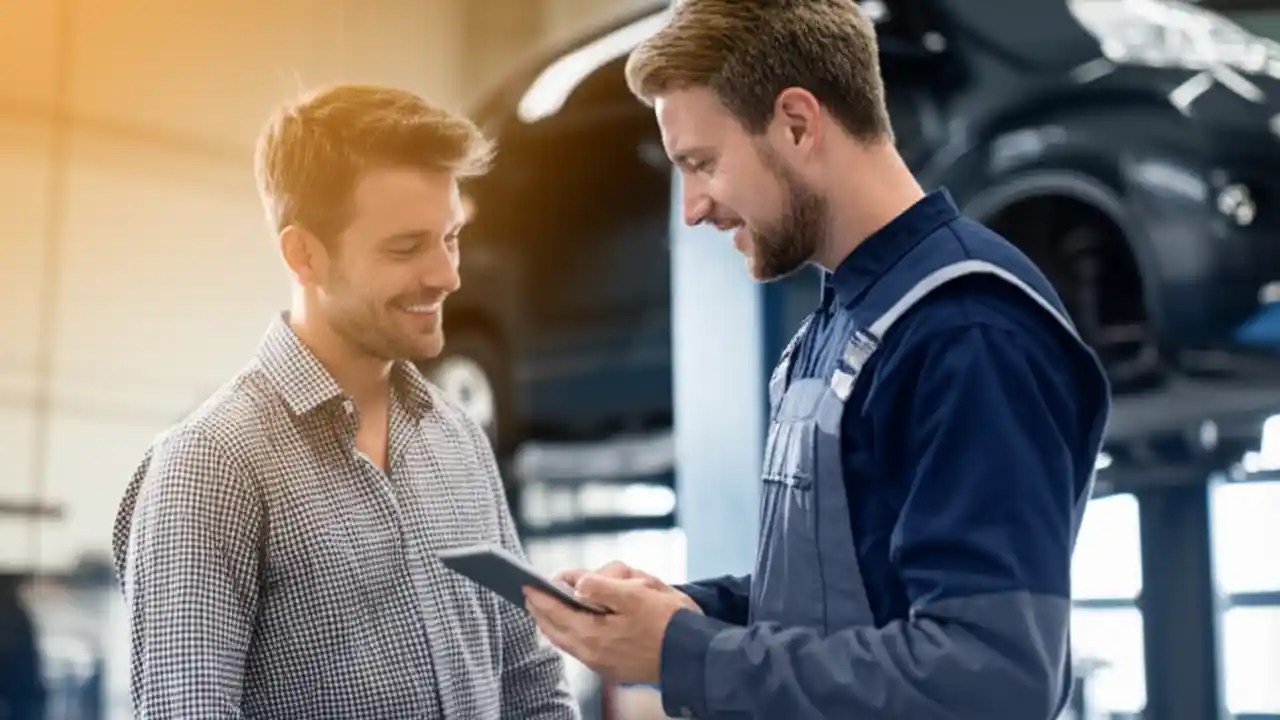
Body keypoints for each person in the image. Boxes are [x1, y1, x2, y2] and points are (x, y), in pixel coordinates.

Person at [522, 1, 1111, 718]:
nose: (692, 209)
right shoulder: (841, 323)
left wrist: (685, 652)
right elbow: (837, 602)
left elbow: (993, 679)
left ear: (797, 124)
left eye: (702, 164)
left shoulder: (968, 332)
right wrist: (683, 611)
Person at [111, 83, 579, 719]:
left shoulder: (458, 439)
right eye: (407, 247)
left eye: (451, 238)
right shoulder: (211, 467)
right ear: (304, 254)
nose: (447, 275)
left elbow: (529, 683)